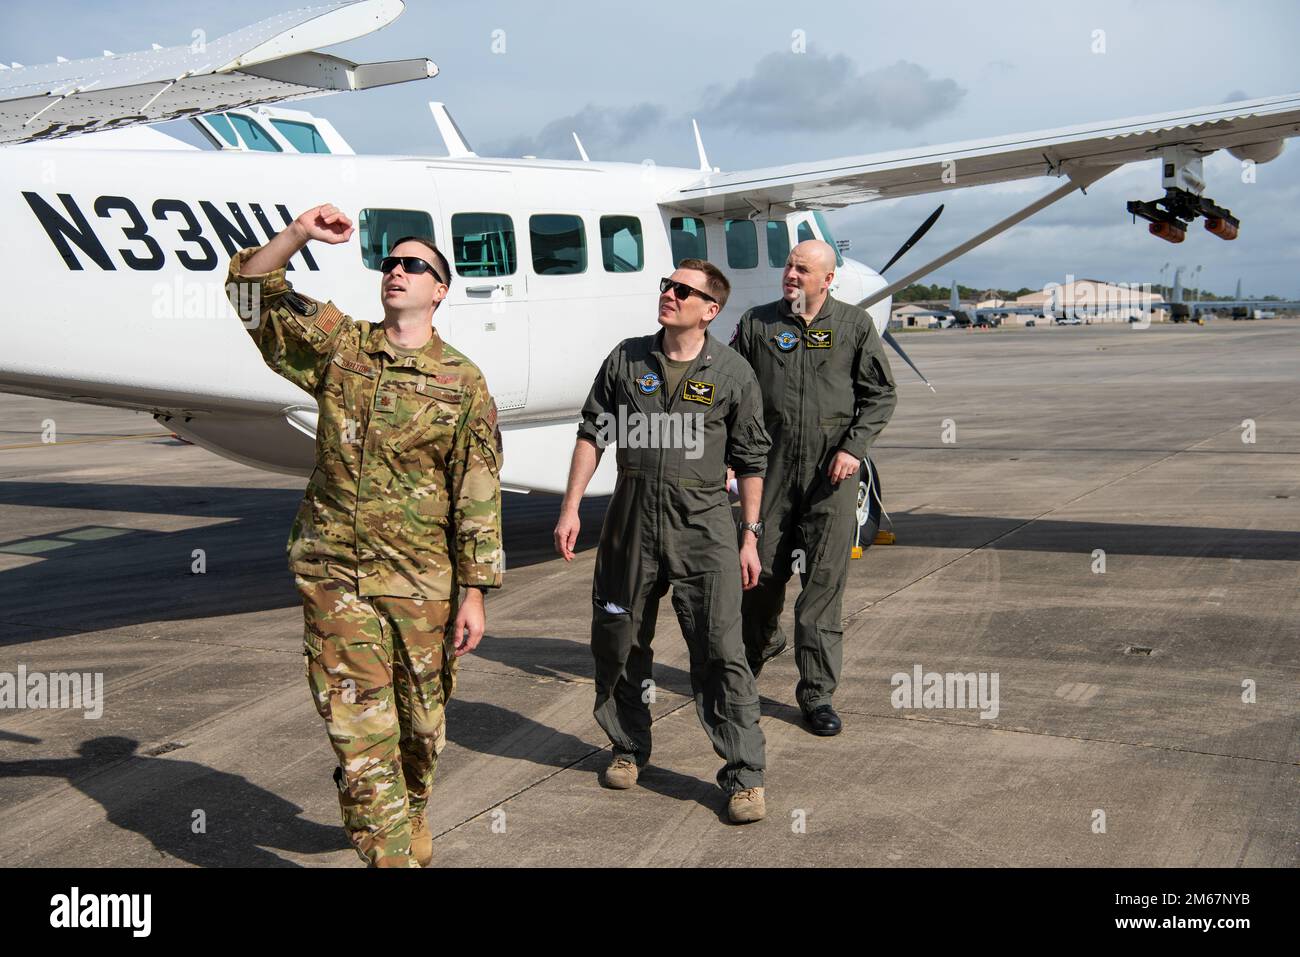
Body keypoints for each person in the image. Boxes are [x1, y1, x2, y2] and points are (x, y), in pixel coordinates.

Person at [226, 203, 503, 867]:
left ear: (440, 289)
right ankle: (389, 852)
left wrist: (475, 592)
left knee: (421, 728)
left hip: (422, 585)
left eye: (415, 266)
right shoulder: (341, 347)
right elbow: (247, 292)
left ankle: (411, 805)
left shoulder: (462, 382)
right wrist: (296, 235)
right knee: (359, 732)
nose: (397, 272)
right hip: (335, 579)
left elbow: (478, 491)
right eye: (391, 263)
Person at [553, 260, 772, 823]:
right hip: (630, 518)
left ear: (710, 309)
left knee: (722, 651)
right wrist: (572, 506)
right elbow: (592, 431)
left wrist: (749, 536)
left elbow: (751, 460)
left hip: (704, 524)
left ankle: (744, 776)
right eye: (666, 286)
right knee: (620, 639)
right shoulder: (627, 358)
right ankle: (627, 748)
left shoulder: (732, 371)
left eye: (683, 290)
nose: (669, 295)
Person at [731, 239, 897, 736]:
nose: (791, 275)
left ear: (828, 280)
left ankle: (817, 694)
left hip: (831, 478)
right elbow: (734, 390)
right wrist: (728, 458)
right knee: (760, 577)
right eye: (788, 266)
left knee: (823, 588)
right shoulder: (759, 325)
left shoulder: (853, 326)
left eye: (803, 269)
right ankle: (751, 662)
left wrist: (854, 447)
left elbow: (880, 395)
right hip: (772, 473)